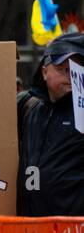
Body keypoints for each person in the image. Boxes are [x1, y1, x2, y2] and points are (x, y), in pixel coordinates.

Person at [18, 33, 84, 216]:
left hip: (72, 232)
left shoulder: (81, 113)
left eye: (77, 70)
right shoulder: (28, 107)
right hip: (29, 227)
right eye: (63, 69)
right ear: (45, 71)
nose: (71, 76)